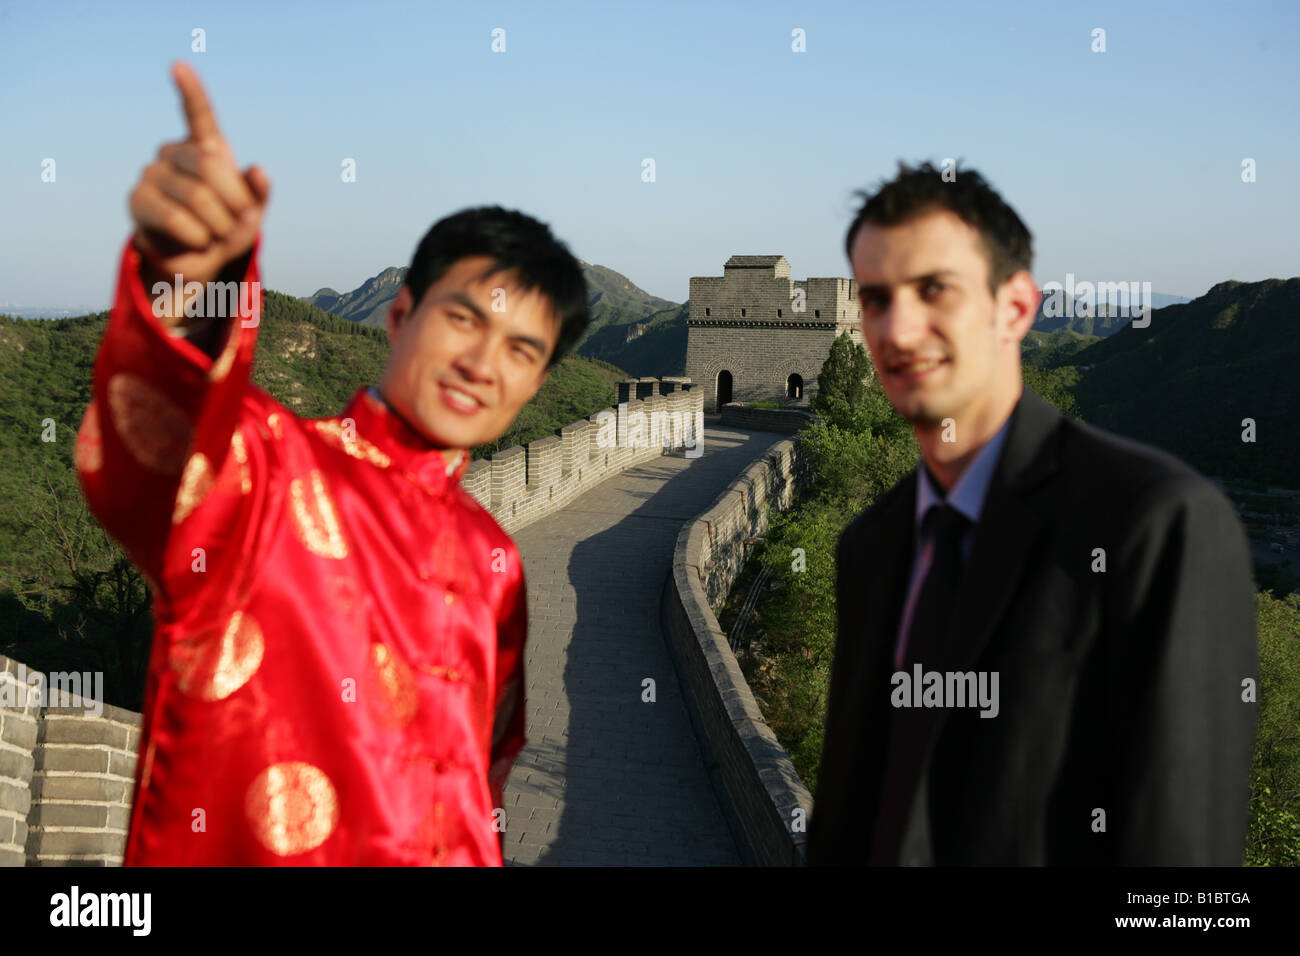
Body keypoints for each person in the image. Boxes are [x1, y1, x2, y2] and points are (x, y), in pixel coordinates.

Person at [75, 62, 588, 865]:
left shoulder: (498, 564)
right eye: (463, 318)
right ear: (399, 313)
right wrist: (193, 280)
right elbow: (154, 459)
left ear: (538, 383)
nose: (483, 363)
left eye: (522, 351)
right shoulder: (270, 470)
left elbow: (483, 782)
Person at [807, 161, 1258, 865]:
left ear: (1015, 307)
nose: (897, 329)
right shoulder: (872, 544)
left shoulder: (1150, 523)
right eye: (874, 298)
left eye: (934, 291)